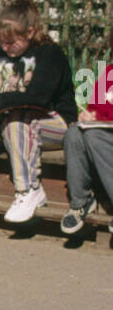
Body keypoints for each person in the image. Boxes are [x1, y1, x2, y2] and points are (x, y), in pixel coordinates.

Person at [0, 0, 78, 224]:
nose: (6, 47)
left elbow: (38, 97)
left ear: (30, 32)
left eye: (12, 42)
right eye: (2, 42)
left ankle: (29, 190)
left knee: (18, 119)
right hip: (8, 127)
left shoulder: (49, 54)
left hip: (54, 123)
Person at [61, 54, 113, 234]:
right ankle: (80, 204)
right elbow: (94, 108)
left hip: (104, 136)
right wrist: (88, 116)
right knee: (73, 133)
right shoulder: (108, 73)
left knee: (93, 136)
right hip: (102, 132)